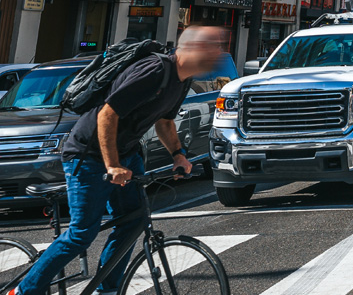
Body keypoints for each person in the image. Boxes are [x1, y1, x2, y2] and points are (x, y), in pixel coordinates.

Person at [10, 24, 227, 295]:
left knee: (133, 221)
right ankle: (24, 291)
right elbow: (107, 114)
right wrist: (112, 165)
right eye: (213, 47)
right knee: (81, 234)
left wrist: (178, 155)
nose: (219, 53)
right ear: (191, 48)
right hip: (88, 155)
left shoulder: (182, 80)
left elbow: (165, 121)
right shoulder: (155, 70)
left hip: (126, 153)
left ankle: (108, 288)